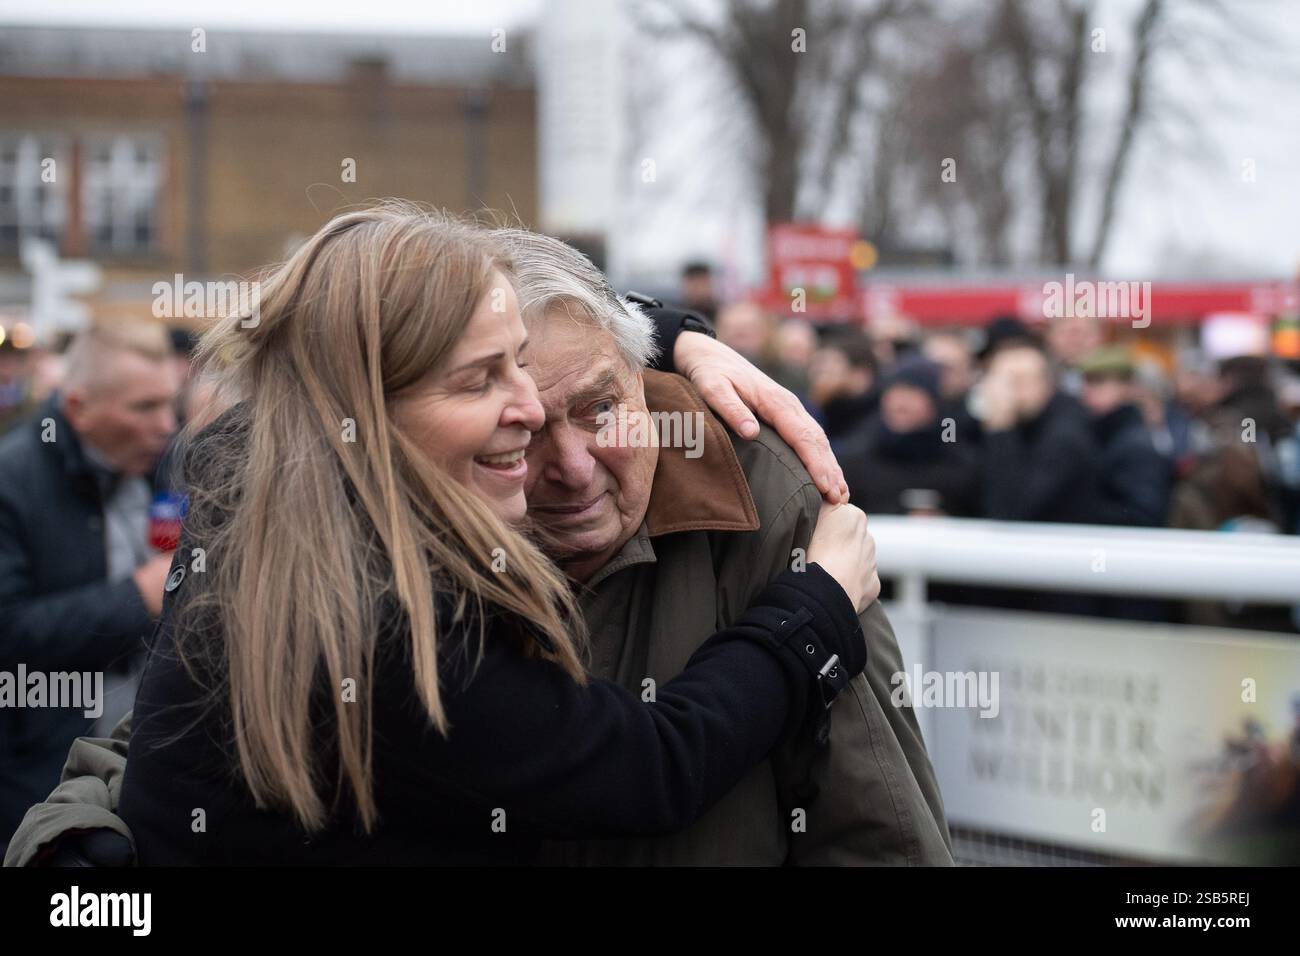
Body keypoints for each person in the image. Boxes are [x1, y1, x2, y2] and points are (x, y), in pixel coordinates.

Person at [15, 204, 875, 866]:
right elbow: (655, 767)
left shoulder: (256, 478)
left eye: (527, 369)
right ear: (374, 410)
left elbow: (375, 317)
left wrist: (672, 336)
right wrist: (816, 609)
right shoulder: (387, 616)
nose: (529, 408)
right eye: (483, 381)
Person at [497, 230, 951, 864]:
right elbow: (655, 767)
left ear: (642, 379)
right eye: (527, 430)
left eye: (600, 407)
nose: (573, 467)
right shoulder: (404, 545)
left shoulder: (762, 494)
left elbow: (877, 831)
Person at [0, 322, 179, 855]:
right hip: (41, 774)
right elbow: (8, 631)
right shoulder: (13, 480)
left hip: (146, 757)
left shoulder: (163, 469)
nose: (166, 425)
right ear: (78, 408)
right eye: (144, 408)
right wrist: (138, 597)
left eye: (171, 404)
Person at [839, 356, 980, 518]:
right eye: (894, 392)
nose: (900, 404)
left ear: (935, 402)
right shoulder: (858, 457)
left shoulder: (960, 465)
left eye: (913, 393)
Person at [1078, 346, 1171, 527]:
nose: (1088, 390)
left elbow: (1144, 515)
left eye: (1099, 381)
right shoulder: (1105, 432)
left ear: (1128, 387)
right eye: (1087, 381)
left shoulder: (1134, 444)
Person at [810, 328, 879, 444]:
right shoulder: (818, 413)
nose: (818, 379)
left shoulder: (879, 424)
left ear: (860, 375)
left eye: (826, 371)